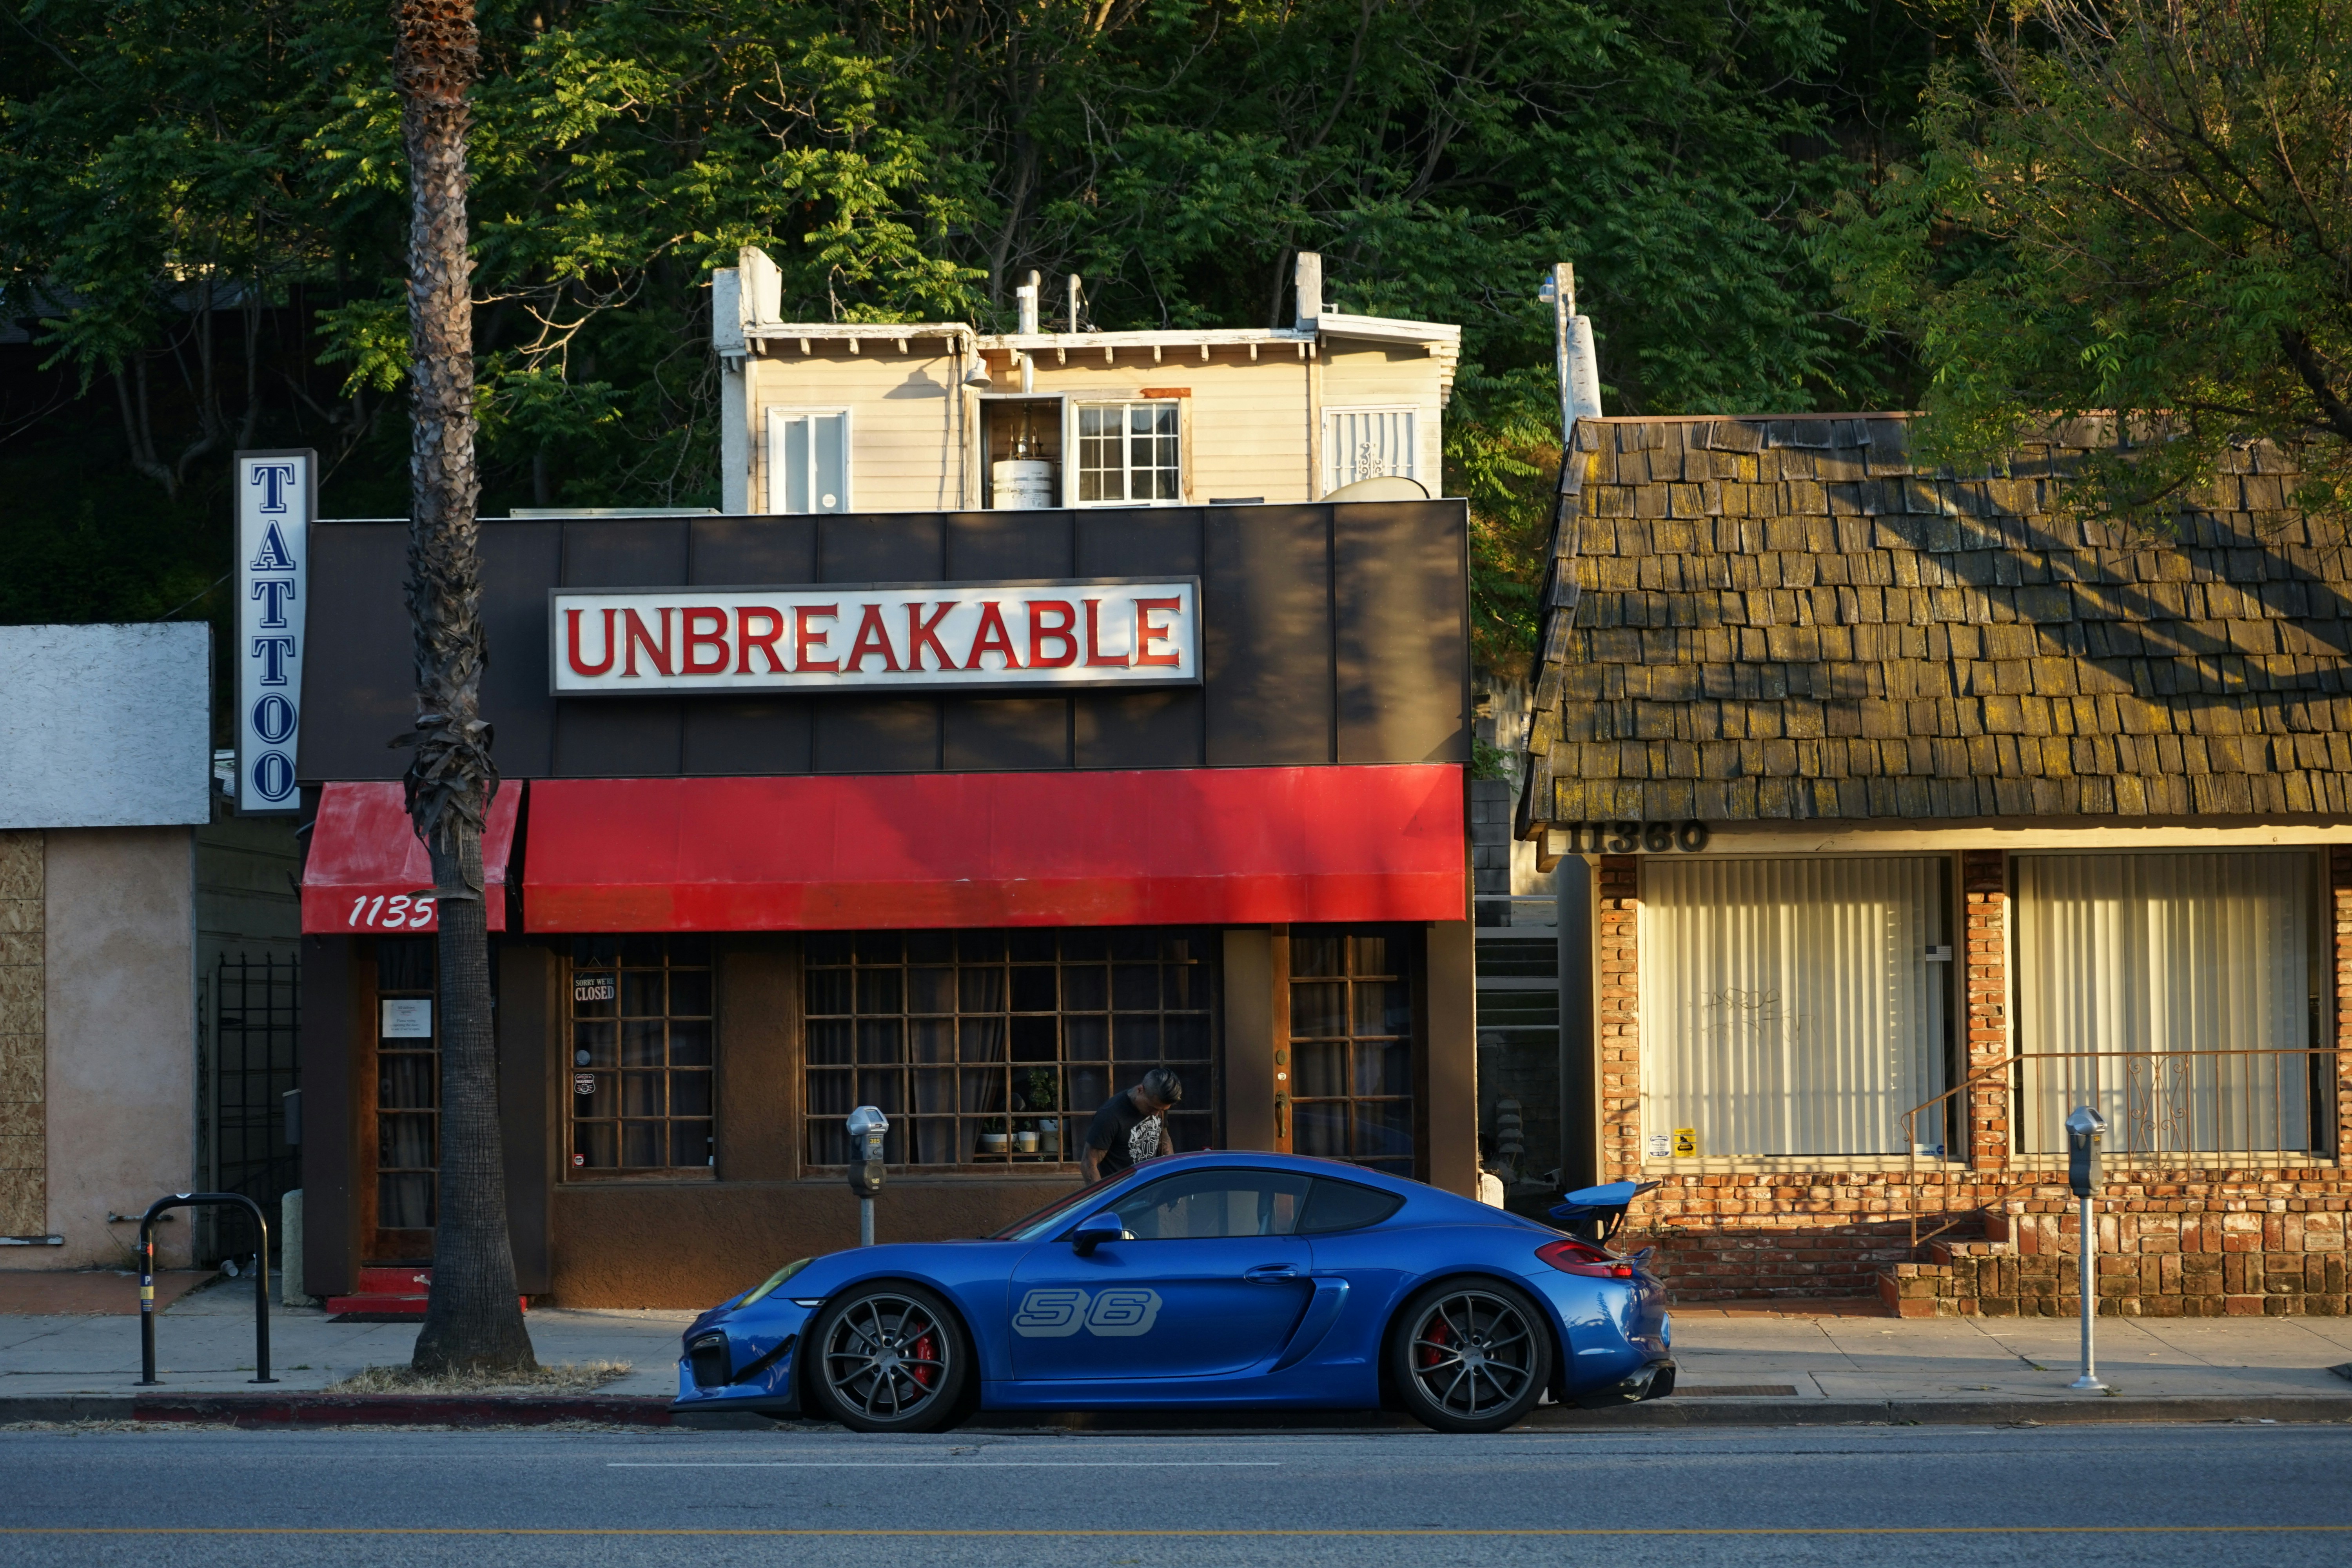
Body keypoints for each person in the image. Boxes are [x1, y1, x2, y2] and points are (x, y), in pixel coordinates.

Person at [1079, 1068, 1181, 1183]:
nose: (1156, 1114)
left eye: (1162, 1110)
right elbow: (1088, 1165)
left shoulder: (1159, 1104)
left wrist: (1172, 1181)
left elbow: (1164, 1138)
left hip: (1150, 1189)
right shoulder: (1110, 1116)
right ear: (1140, 1090)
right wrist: (1104, 1199)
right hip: (1122, 1195)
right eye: (1152, 1108)